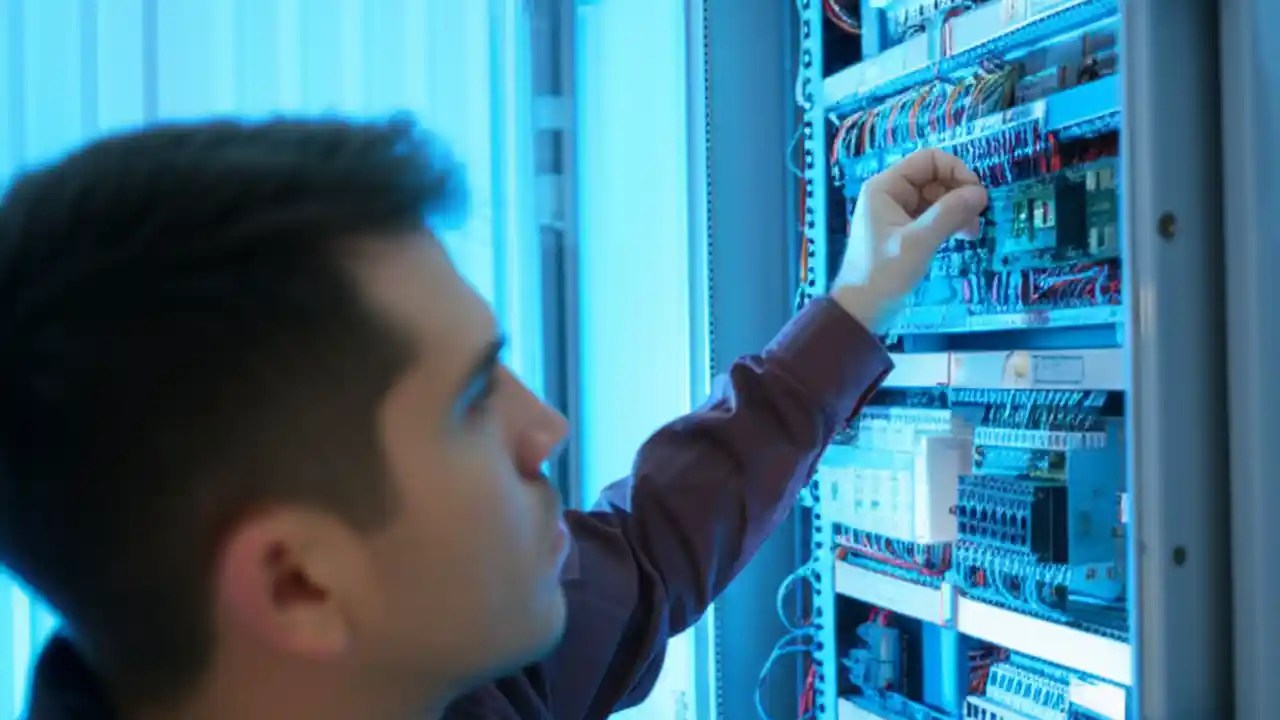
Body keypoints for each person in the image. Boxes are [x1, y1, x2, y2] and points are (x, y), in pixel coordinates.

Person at [0, 117, 987, 720]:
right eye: (471, 397)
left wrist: (855, 306)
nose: (547, 426)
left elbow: (643, 558)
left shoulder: (436, 670)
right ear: (297, 581)